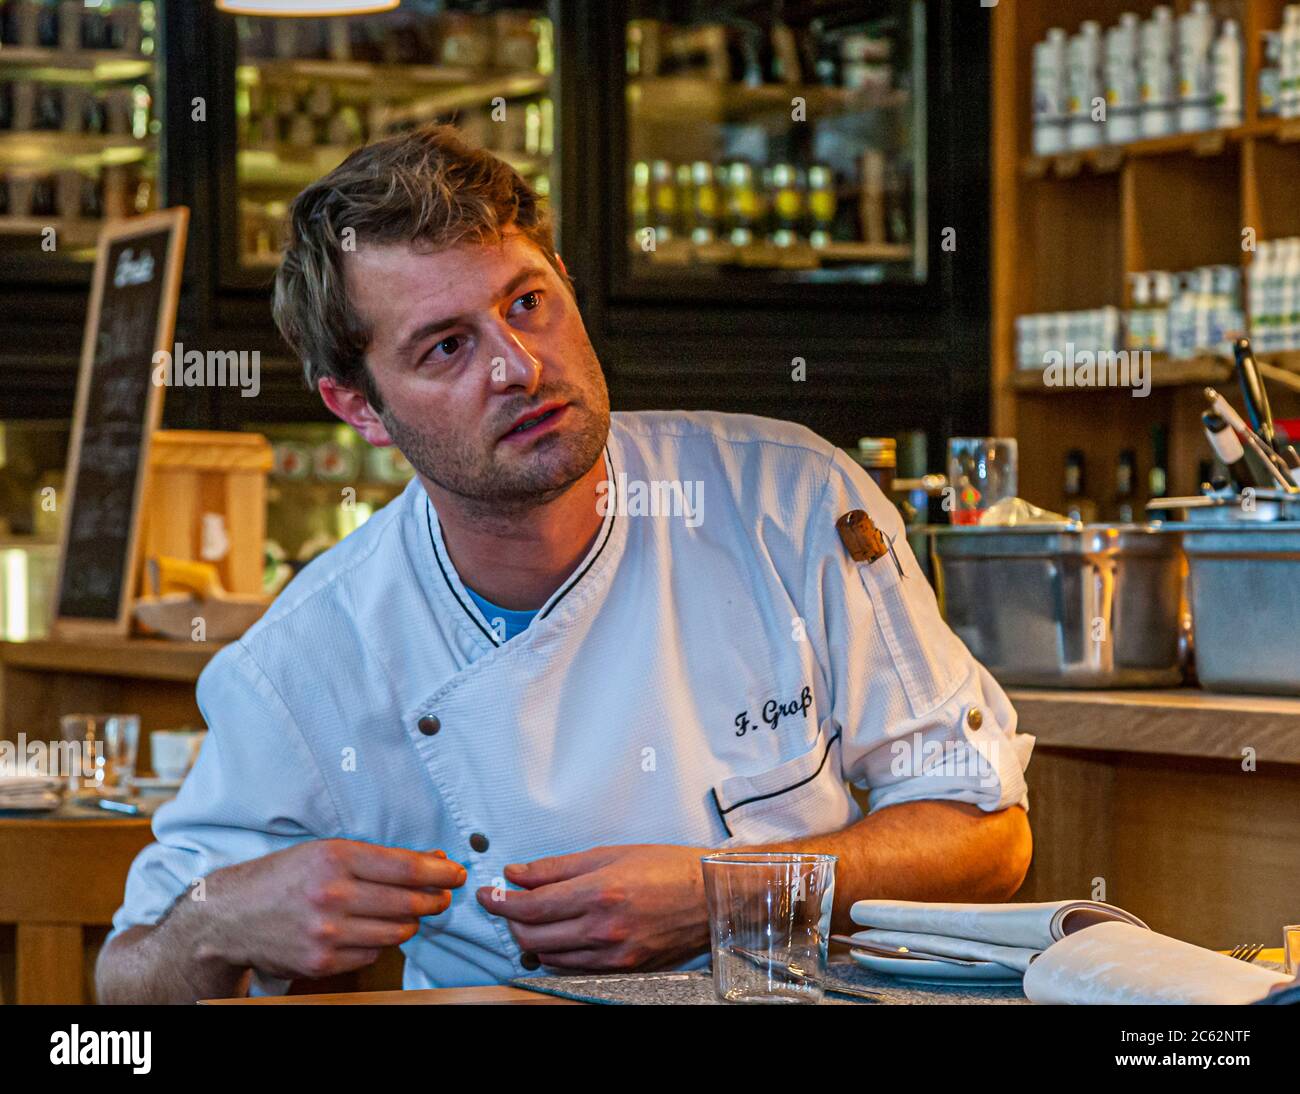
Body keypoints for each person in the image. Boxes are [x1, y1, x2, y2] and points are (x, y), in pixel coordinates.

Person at [97, 125, 1033, 1003]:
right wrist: (221, 920)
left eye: (527, 304)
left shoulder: (787, 502)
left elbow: (988, 836)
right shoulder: (310, 657)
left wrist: (728, 893)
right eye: (447, 346)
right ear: (360, 409)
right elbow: (126, 977)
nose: (518, 366)